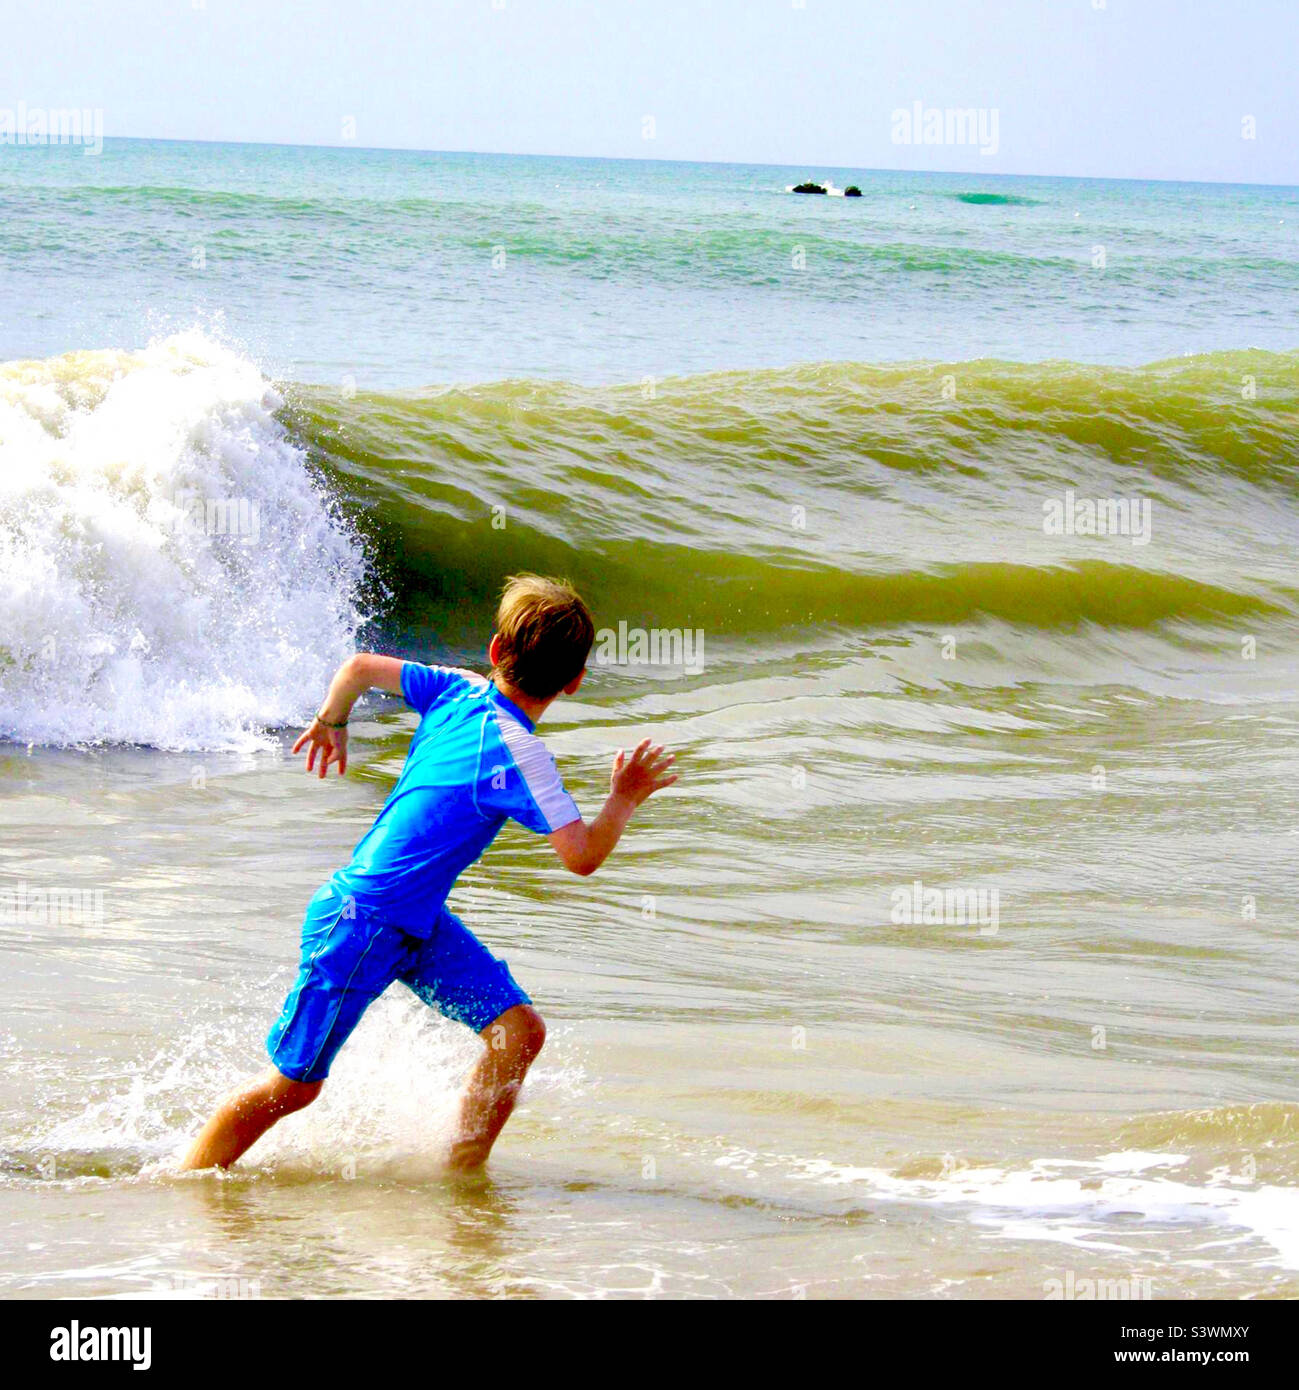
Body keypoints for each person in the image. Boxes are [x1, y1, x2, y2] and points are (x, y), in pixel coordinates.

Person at [179, 574, 677, 1172]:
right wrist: (623, 797)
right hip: (361, 921)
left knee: (520, 1033)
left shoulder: (456, 688)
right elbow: (582, 856)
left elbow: (359, 667)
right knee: (294, 1088)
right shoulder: (524, 756)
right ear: (573, 682)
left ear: (495, 652)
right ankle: (188, 1184)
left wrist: (331, 723)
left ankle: (462, 1178)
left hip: (413, 923)